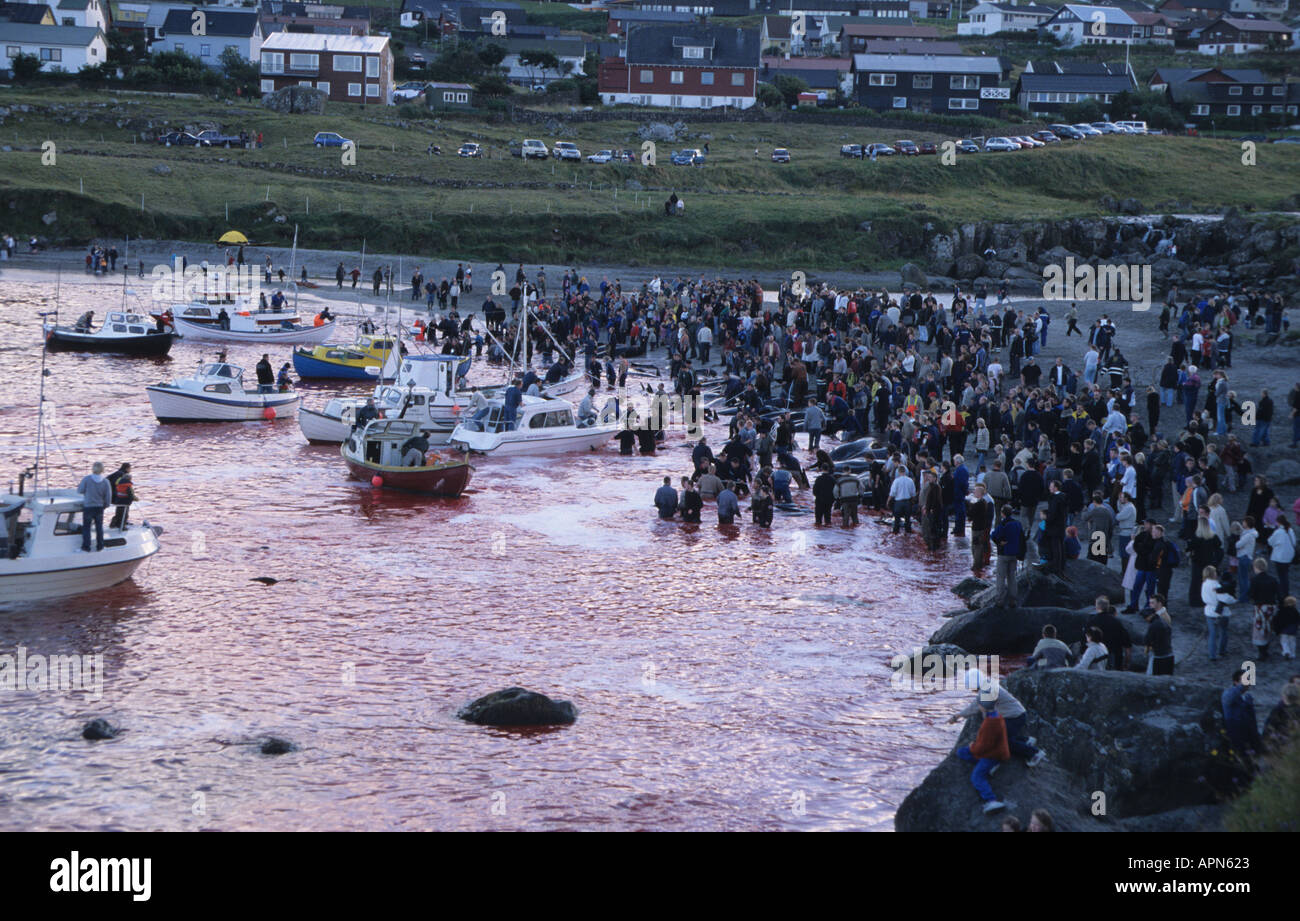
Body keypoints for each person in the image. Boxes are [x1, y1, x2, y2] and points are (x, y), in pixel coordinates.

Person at [954, 697, 1011, 814]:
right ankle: (990, 767)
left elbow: (982, 747)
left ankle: (991, 800)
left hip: (993, 755)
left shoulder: (990, 724)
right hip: (993, 750)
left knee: (976, 777)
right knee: (961, 752)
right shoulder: (996, 716)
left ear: (983, 707)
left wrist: (972, 746)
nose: (978, 706)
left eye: (979, 705)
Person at [1221, 667, 1261, 758]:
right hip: (1236, 734)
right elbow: (1228, 699)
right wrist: (1241, 686)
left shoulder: (1248, 697)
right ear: (1236, 682)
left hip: (1249, 734)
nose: (1248, 683)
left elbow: (1252, 717)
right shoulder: (1228, 693)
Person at [990, 505, 1025, 607]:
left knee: (1001, 577)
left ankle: (1000, 600)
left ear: (1003, 513)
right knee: (1012, 577)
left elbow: (994, 535)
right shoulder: (1017, 523)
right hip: (1014, 553)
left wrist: (999, 542)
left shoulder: (1003, 524)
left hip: (1004, 553)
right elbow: (1022, 538)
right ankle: (1013, 600)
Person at [1203, 564, 1237, 662]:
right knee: (1223, 632)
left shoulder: (1204, 584)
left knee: (1212, 634)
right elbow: (1226, 598)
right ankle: (1222, 650)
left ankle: (1212, 655)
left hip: (1209, 611)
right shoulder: (1217, 585)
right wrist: (1234, 600)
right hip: (1222, 612)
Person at [76, 462, 112, 552]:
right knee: (99, 527)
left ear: (93, 469)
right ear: (102, 470)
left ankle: (86, 547)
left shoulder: (87, 479)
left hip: (88, 507)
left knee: (86, 528)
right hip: (99, 507)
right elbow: (108, 496)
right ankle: (100, 546)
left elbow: (80, 490)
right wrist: (106, 505)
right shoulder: (105, 481)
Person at [1142, 597, 1175, 675]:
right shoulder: (1162, 620)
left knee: (1152, 676)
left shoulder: (1156, 624)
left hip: (1159, 655)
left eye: (1152, 603)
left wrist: (1147, 649)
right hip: (1168, 652)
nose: (1145, 619)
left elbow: (1147, 640)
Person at [967, 482, 995, 571]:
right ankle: (981, 562)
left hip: (979, 527)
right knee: (979, 545)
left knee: (977, 546)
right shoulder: (984, 501)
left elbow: (971, 512)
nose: (974, 493)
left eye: (975, 491)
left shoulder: (982, 502)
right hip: (982, 526)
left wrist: (970, 506)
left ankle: (978, 564)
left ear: (980, 492)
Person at [889, 466, 917, 534]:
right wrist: (913, 501)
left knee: (897, 520)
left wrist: (888, 500)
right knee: (907, 519)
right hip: (907, 502)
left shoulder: (896, 481)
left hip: (898, 502)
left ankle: (896, 532)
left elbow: (893, 492)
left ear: (898, 472)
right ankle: (908, 532)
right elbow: (913, 493)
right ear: (905, 472)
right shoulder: (910, 480)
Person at [1274, 594, 1298, 660]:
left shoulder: (1281, 611)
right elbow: (1297, 620)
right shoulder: (1295, 611)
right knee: (1292, 642)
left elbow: (1277, 620)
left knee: (1284, 641)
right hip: (1293, 630)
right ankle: (1292, 654)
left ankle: (1286, 651)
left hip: (1284, 630)